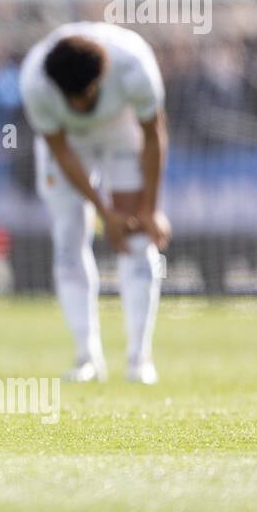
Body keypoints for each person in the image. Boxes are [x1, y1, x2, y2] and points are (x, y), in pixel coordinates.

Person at [18, 22, 170, 384]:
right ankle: (87, 358)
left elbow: (153, 136)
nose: (78, 105)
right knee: (69, 238)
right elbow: (61, 150)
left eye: (84, 95)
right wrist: (104, 213)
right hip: (70, 144)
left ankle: (139, 359)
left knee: (136, 236)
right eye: (69, 98)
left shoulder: (134, 66)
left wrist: (150, 208)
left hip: (121, 128)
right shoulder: (35, 83)